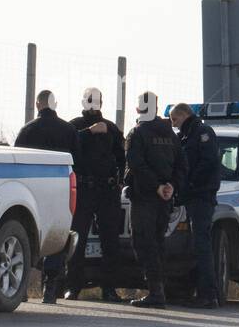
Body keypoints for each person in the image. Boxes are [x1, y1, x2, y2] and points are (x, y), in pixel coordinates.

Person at [14, 89, 80, 304]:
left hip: (32, 191)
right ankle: (50, 288)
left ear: (37, 104)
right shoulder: (69, 130)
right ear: (55, 104)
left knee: (27, 236)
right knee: (57, 237)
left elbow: (17, 162)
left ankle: (20, 288)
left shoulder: (28, 129)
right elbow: (77, 162)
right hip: (61, 189)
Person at [124, 91, 186, 309]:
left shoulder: (138, 133)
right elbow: (181, 165)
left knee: (143, 242)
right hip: (164, 200)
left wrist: (157, 187)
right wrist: (171, 186)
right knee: (158, 243)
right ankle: (159, 290)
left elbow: (136, 165)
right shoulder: (171, 135)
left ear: (139, 108)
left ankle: (155, 292)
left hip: (145, 198)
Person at [64, 87, 126, 303]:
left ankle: (109, 289)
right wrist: (89, 131)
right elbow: (67, 147)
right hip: (84, 190)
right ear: (83, 102)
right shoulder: (74, 126)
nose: (93, 103)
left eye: (96, 100)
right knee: (77, 239)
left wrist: (119, 182)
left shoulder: (111, 128)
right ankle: (74, 286)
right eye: (89, 100)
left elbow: (122, 157)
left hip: (107, 192)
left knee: (110, 241)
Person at [169, 102, 222, 308]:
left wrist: (189, 184)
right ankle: (199, 292)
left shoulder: (202, 132)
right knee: (196, 247)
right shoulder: (185, 135)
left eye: (175, 119)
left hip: (201, 196)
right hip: (191, 196)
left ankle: (208, 295)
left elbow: (207, 163)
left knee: (202, 246)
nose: (173, 124)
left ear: (184, 115)